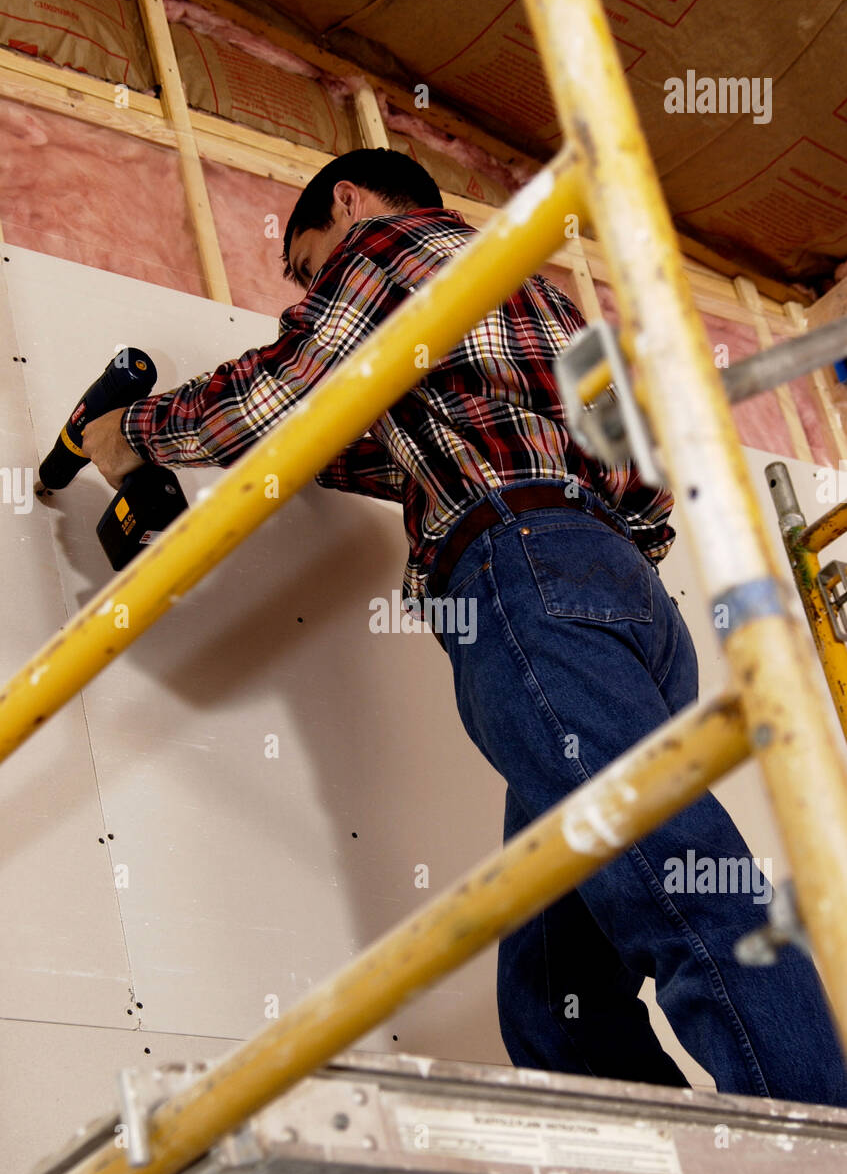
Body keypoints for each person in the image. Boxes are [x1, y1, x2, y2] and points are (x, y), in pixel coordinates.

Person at [82, 148, 847, 1107]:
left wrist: (132, 433)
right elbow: (438, 445)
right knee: (554, 985)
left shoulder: (393, 244)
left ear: (349, 202)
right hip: (626, 602)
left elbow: (276, 393)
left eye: (311, 266)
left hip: (525, 580)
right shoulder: (533, 305)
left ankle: (823, 1171)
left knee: (674, 888)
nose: (318, 287)